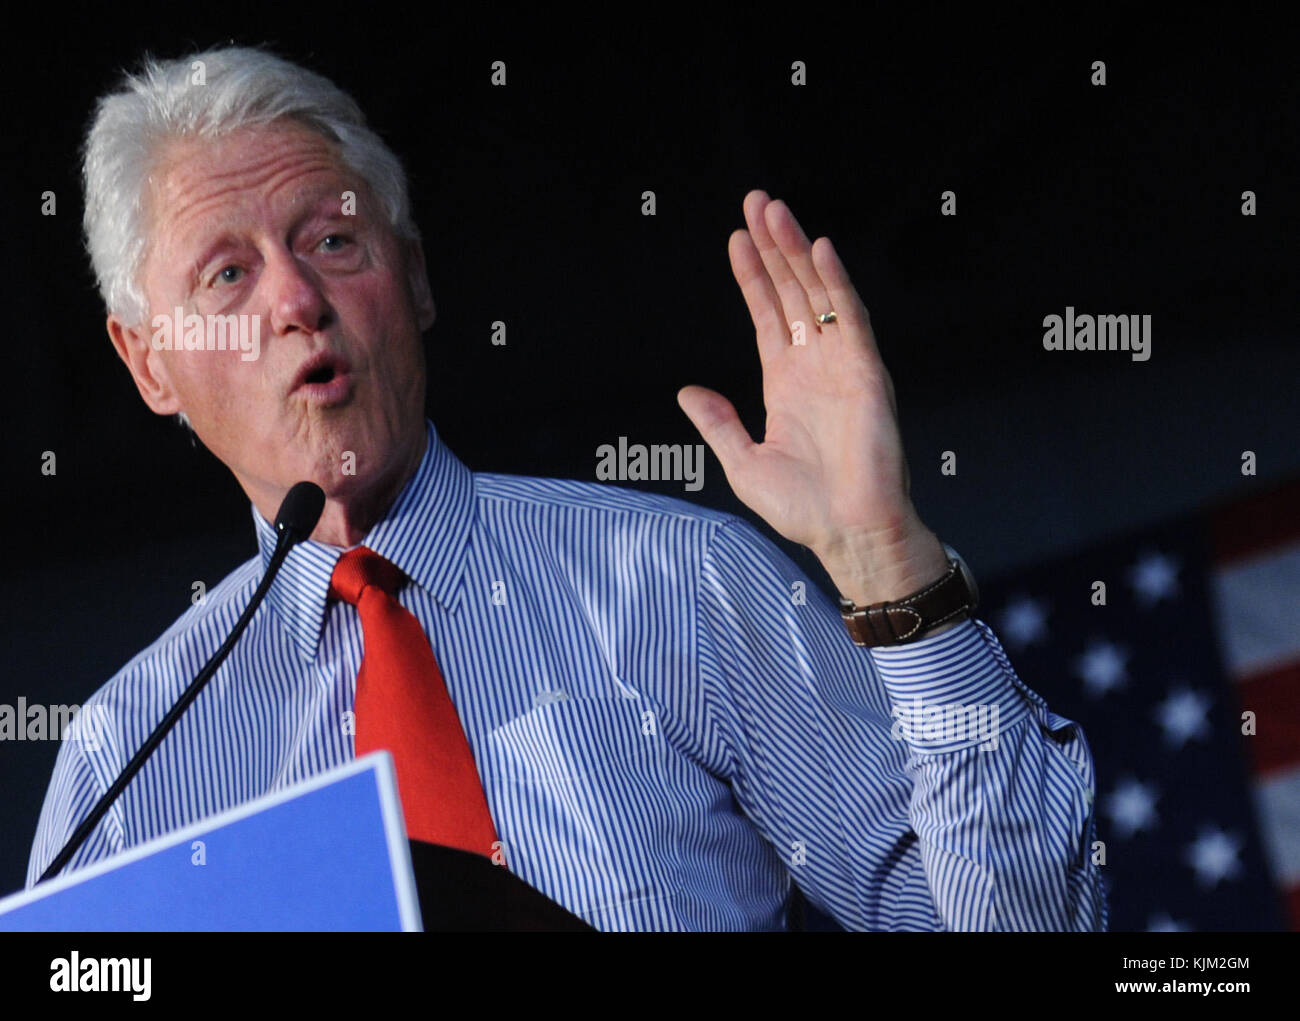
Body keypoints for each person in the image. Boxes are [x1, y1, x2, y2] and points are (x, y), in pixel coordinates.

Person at [27, 45, 1105, 930]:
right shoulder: (126, 761)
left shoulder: (679, 582)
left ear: (413, 277)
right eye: (228, 273)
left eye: (335, 239)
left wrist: (890, 566)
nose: (298, 298)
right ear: (148, 362)